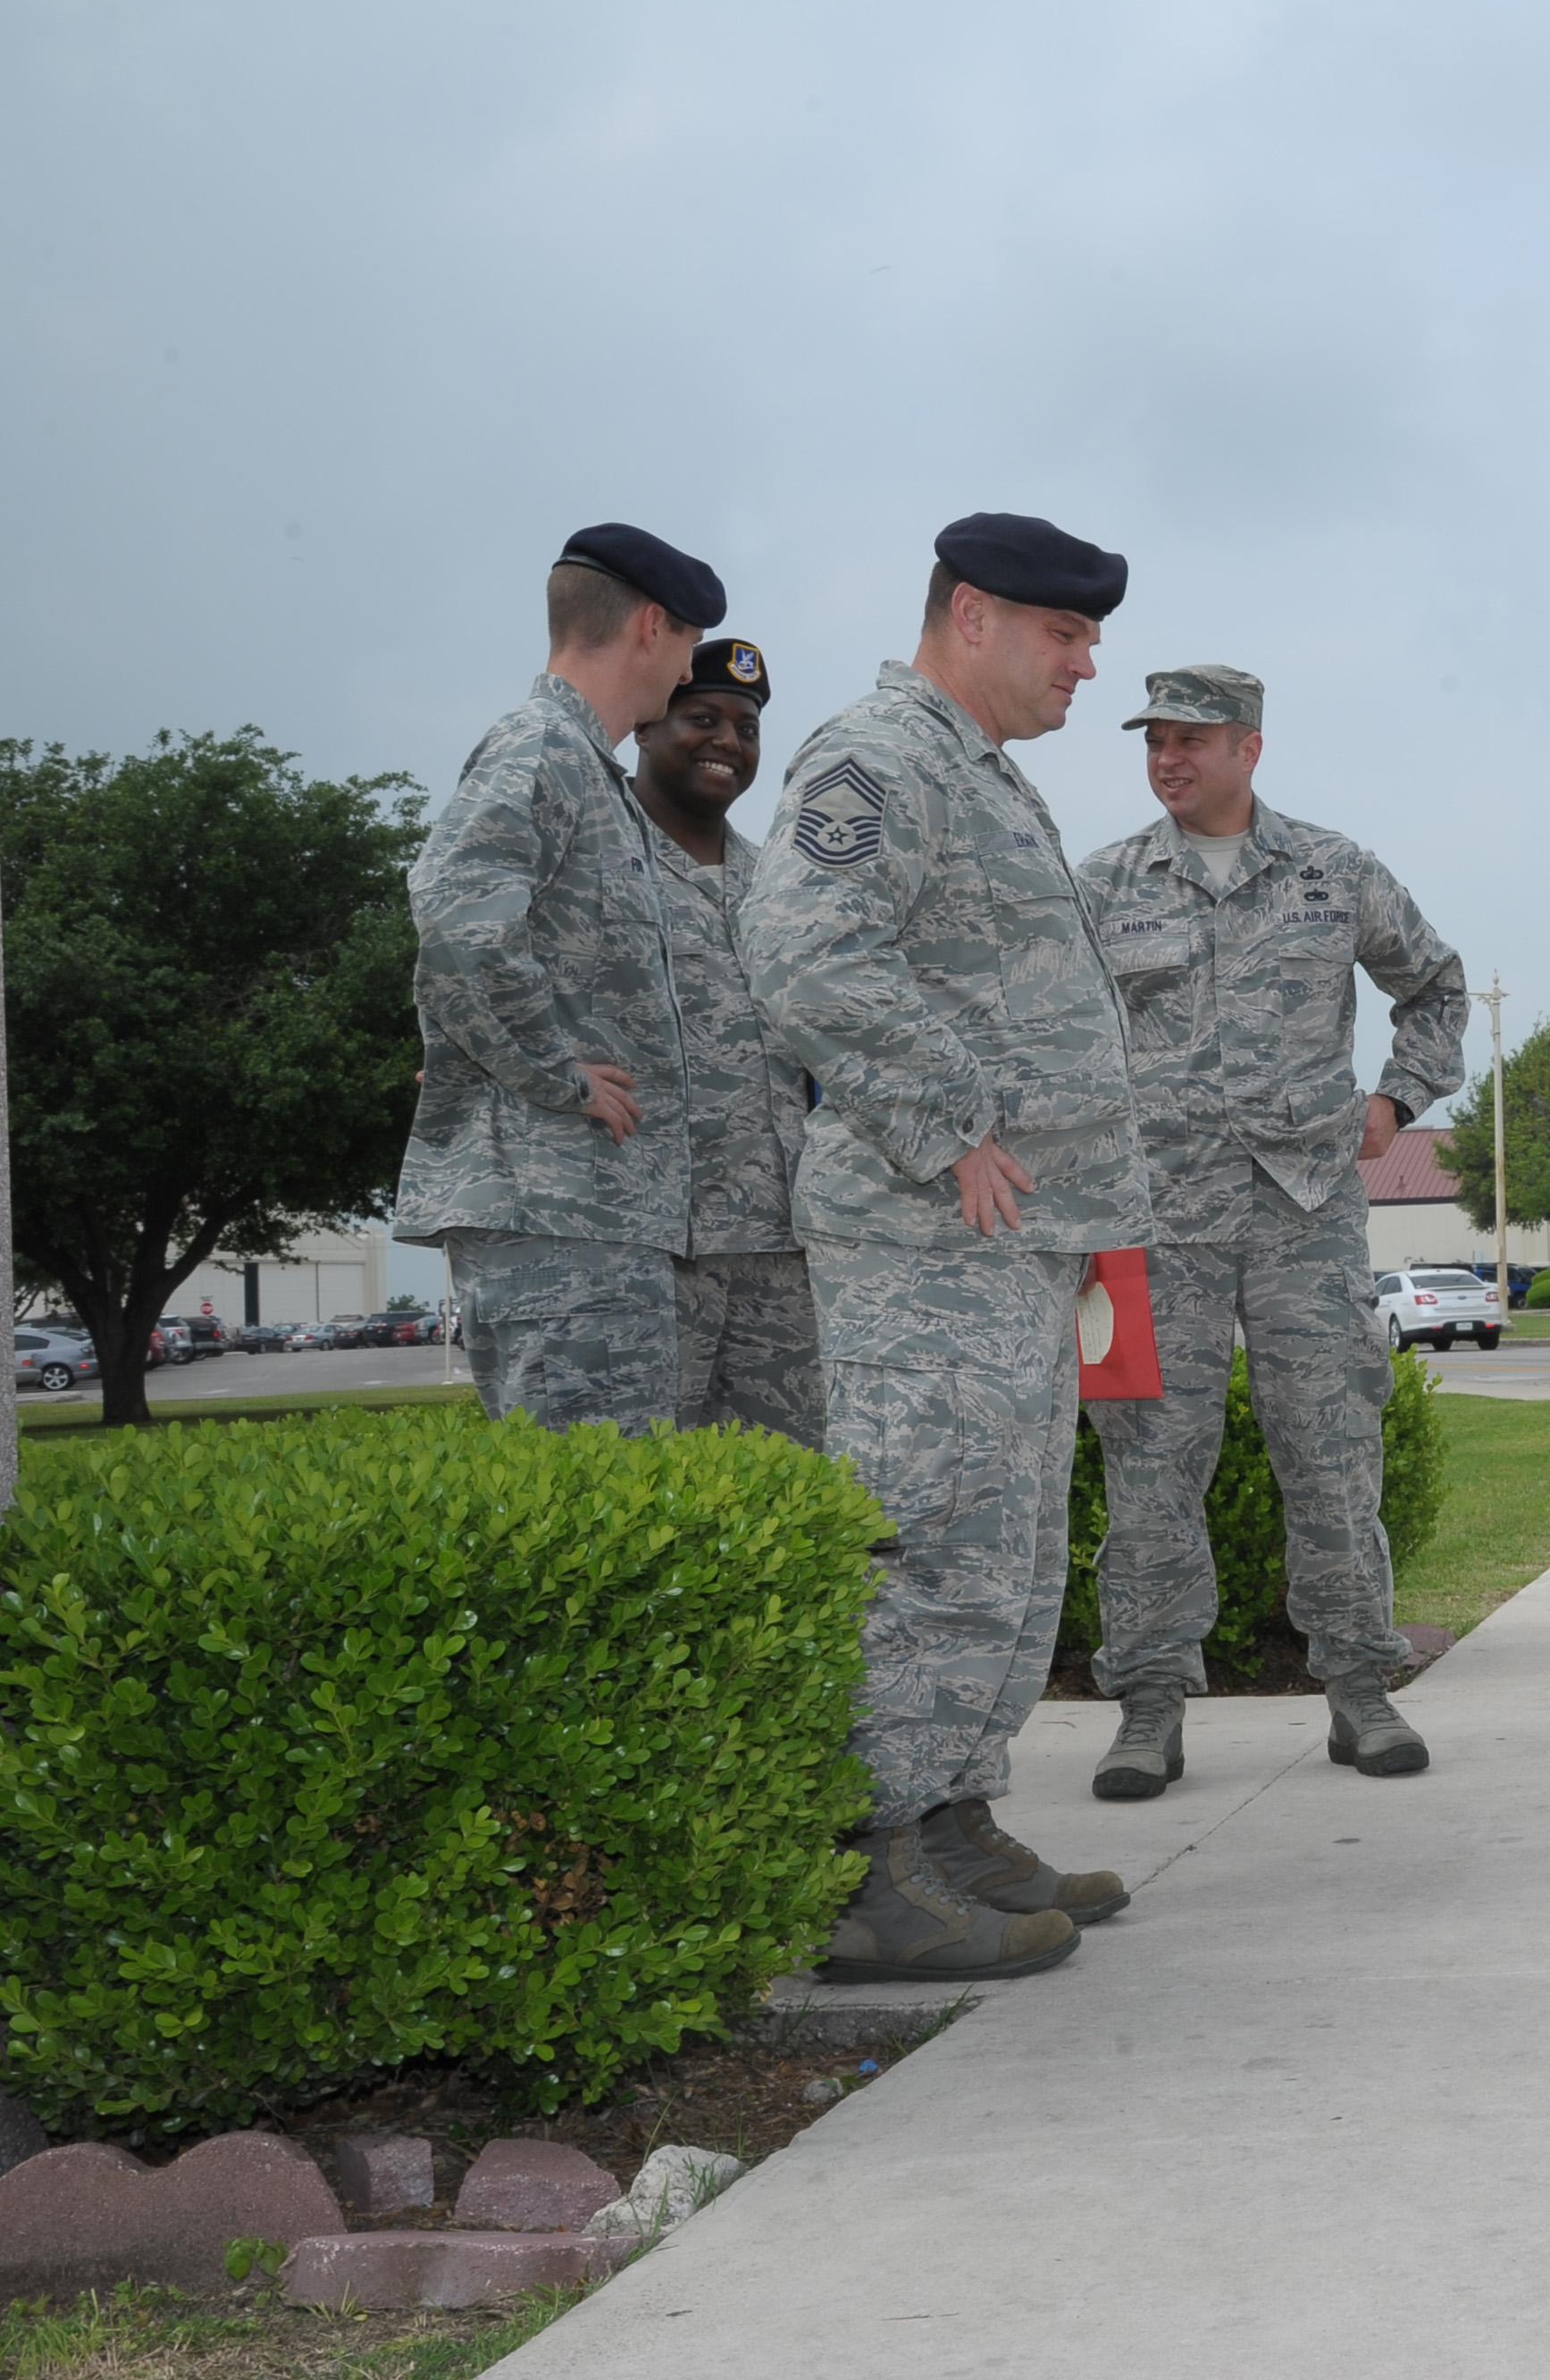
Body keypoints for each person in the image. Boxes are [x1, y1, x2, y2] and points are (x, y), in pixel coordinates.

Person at [740, 513, 1152, 1984]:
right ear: (972, 616)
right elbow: (799, 948)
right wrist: (948, 1115)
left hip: (1011, 1240)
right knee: (921, 1535)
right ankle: (862, 1868)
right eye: (1066, 635)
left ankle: (952, 1818)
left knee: (1006, 1541)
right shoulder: (879, 756)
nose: (1087, 664)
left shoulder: (981, 777)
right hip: (926, 1230)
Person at [1076, 664, 1470, 1798]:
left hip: (1304, 1213)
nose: (1166, 760)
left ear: (1249, 748)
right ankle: (1147, 1711)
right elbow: (1047, 1029)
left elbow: (1433, 987)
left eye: (1190, 740)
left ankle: (1359, 1691)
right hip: (1151, 1225)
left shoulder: (1332, 872)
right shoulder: (1102, 885)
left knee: (1333, 1455)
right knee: (1150, 1470)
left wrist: (1394, 1100)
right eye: (1153, 740)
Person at [396, 524, 713, 1431]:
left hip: (589, 1214)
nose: (686, 674)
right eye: (688, 646)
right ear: (651, 625)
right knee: (600, 1509)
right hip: (558, 1214)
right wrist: (556, 1075)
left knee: (615, 1500)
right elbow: (461, 922)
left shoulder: (582, 766)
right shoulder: (542, 749)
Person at [627, 636, 824, 1447]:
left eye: (745, 728)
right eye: (702, 717)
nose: (727, 742)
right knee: (636, 1491)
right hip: (644, 1236)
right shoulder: (597, 853)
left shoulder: (777, 881)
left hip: (778, 1245)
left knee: (789, 1495)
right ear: (645, 725)